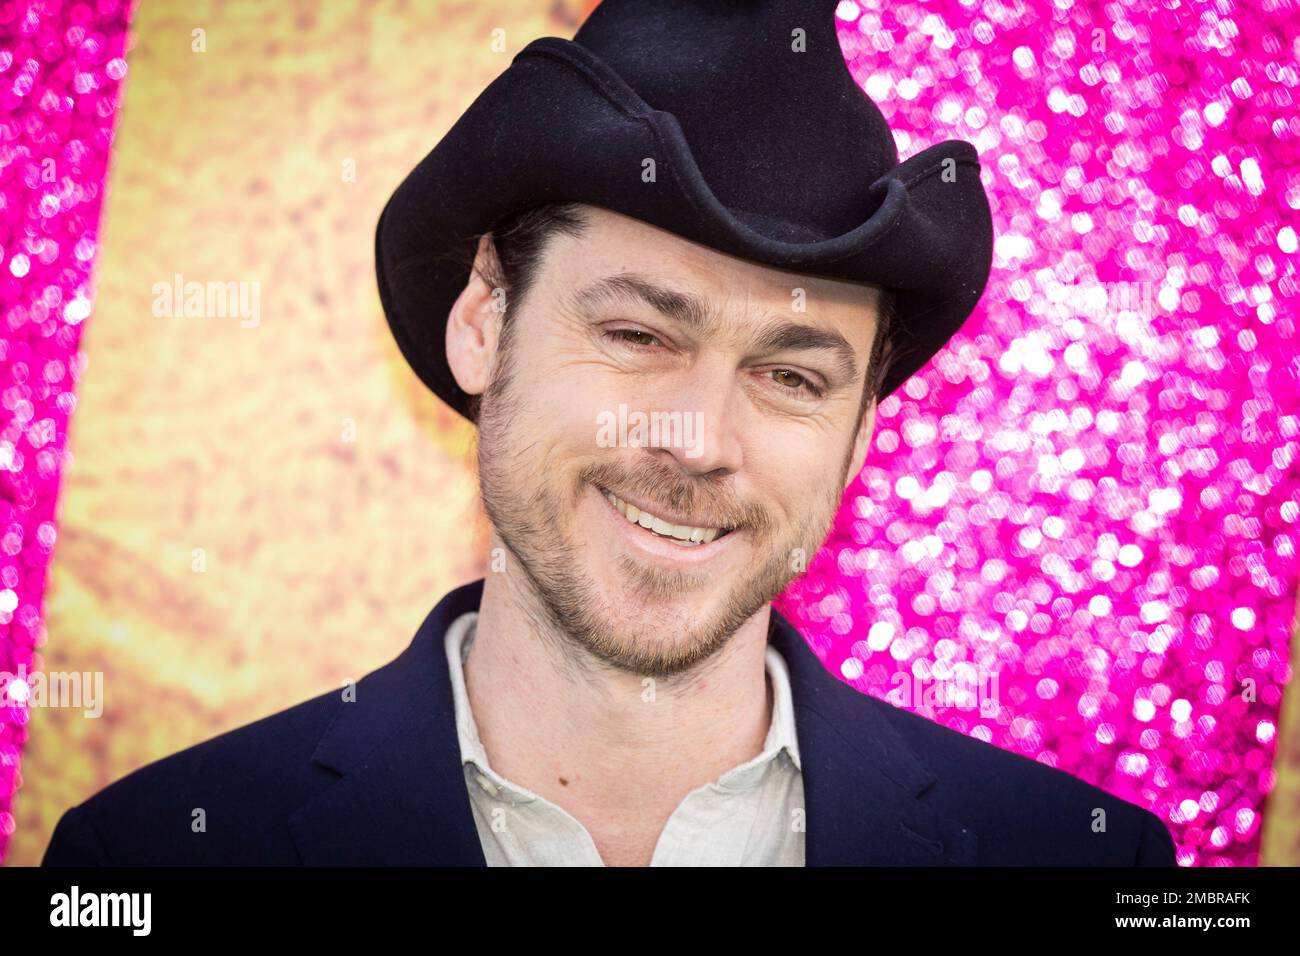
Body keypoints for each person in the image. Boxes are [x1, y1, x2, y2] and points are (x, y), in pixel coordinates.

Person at [43, 0, 1177, 866]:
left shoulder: (1083, 859)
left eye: (788, 374)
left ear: (858, 430)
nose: (698, 441)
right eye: (637, 333)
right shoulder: (152, 857)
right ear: (485, 321)